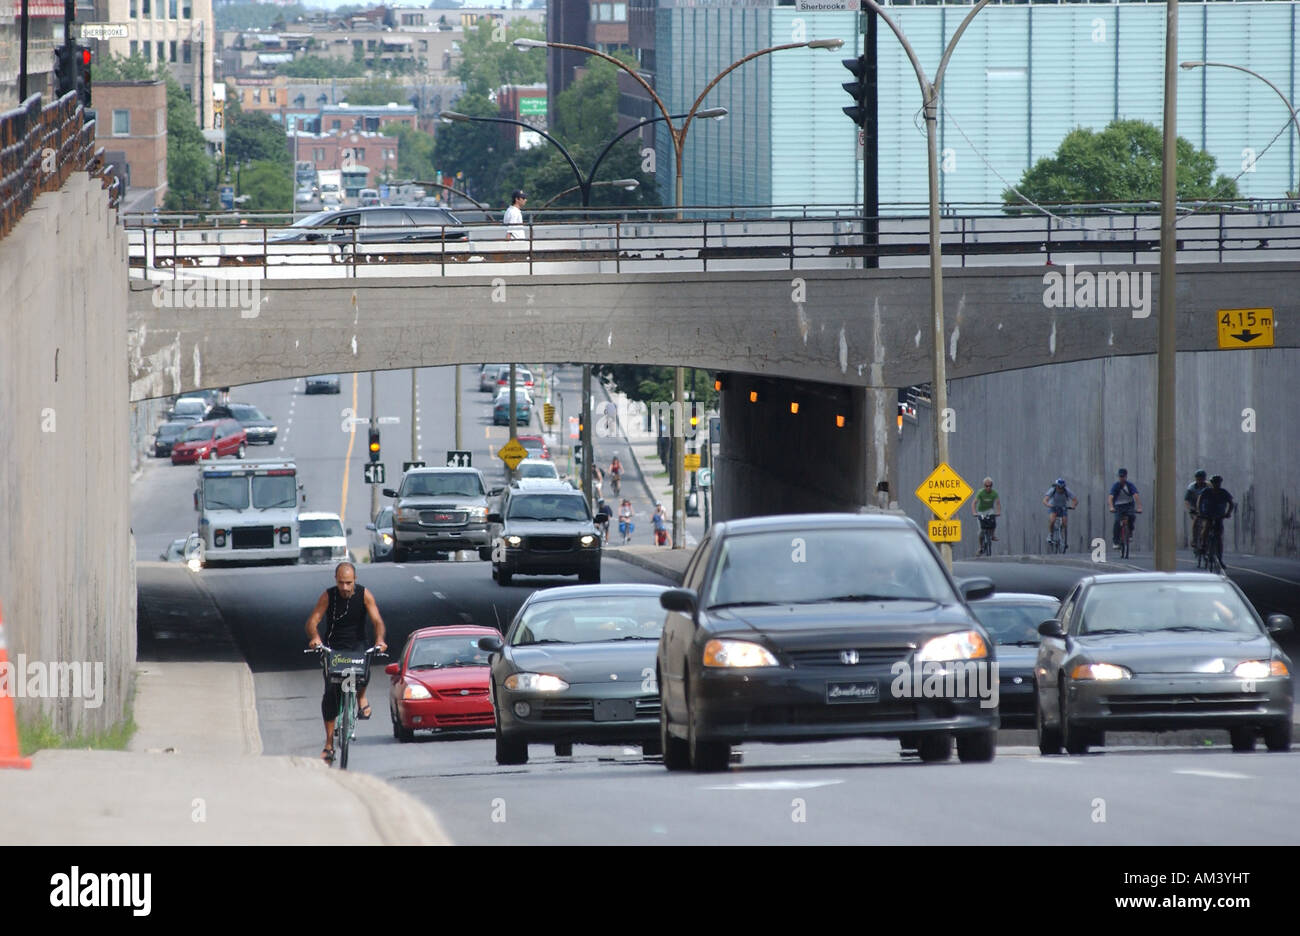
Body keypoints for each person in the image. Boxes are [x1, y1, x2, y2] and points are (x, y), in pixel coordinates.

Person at [305, 562, 387, 762]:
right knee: (331, 693)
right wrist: (315, 637)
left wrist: (379, 640)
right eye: (341, 583)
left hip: (357, 644)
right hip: (334, 647)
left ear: (355, 581)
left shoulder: (364, 595)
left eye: (348, 583)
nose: (345, 588)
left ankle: (360, 698)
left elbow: (377, 621)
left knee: (363, 672)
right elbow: (312, 621)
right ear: (336, 580)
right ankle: (329, 744)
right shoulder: (328, 596)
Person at [1195, 475, 1235, 563]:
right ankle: (1203, 545)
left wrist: (1228, 513)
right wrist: (1200, 511)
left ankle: (1220, 558)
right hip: (1208, 514)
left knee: (1219, 536)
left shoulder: (1223, 492)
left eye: (1218, 483)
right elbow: (1199, 501)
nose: (1216, 485)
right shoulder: (1206, 491)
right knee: (1206, 527)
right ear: (1212, 483)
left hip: (1219, 515)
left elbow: (1231, 504)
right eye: (1214, 483)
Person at [1108, 468, 1144, 548]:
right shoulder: (1116, 486)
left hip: (1129, 505)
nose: (1122, 478)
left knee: (1132, 517)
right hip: (1118, 506)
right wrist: (1111, 507)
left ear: (1126, 477)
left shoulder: (1129, 485)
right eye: (1120, 476)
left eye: (1123, 476)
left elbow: (1136, 495)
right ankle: (1116, 542)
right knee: (1117, 521)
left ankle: (1130, 532)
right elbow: (1110, 497)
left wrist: (1139, 507)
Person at [1041, 478, 1077, 547]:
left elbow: (1075, 500)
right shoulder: (1052, 490)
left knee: (1064, 522)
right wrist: (1048, 504)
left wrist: (1073, 506)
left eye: (1062, 488)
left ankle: (1062, 536)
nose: (1060, 489)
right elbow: (1045, 500)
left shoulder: (1067, 491)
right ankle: (1050, 534)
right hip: (1053, 507)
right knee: (1052, 520)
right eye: (1058, 487)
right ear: (1056, 486)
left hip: (1063, 507)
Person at [1184, 468, 1210, 555]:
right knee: (1196, 520)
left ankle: (1205, 540)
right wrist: (1190, 509)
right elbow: (1187, 500)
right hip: (1194, 506)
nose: (1200, 480)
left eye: (1202, 478)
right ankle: (1195, 540)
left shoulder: (1208, 486)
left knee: (1208, 523)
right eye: (1198, 478)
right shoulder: (1191, 487)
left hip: (1205, 506)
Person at [971, 476, 1002, 541]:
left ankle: (993, 535)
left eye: (990, 486)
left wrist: (998, 512)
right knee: (981, 530)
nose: (988, 487)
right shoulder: (980, 492)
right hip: (981, 511)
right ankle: (980, 547)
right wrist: (974, 512)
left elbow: (998, 503)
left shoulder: (994, 493)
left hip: (989, 510)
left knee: (993, 523)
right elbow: (974, 503)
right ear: (984, 486)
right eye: (986, 486)